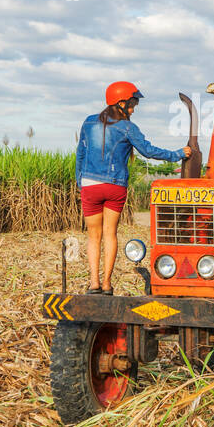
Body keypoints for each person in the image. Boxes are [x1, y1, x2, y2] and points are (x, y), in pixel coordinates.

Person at [76, 81, 193, 294]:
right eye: (132, 105)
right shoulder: (128, 127)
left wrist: (80, 182)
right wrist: (177, 154)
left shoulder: (88, 122)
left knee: (93, 236)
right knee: (110, 234)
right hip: (114, 186)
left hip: (90, 186)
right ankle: (106, 285)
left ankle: (93, 284)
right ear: (121, 102)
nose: (133, 109)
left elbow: (80, 155)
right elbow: (148, 151)